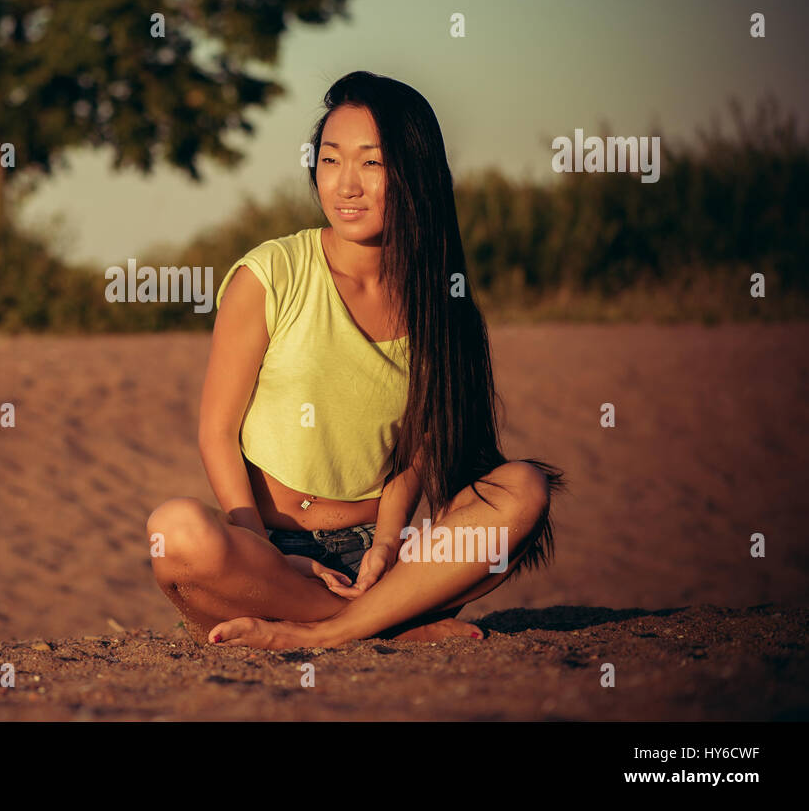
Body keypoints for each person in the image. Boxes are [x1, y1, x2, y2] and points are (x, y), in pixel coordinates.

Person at [146, 71, 567, 649]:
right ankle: (387, 622)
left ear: (414, 172)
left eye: (372, 163)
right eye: (330, 160)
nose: (346, 185)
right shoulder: (270, 275)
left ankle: (331, 628)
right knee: (175, 532)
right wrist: (267, 550)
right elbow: (216, 433)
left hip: (381, 556)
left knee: (523, 488)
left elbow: (415, 451)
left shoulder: (443, 304)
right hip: (268, 555)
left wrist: (389, 547)